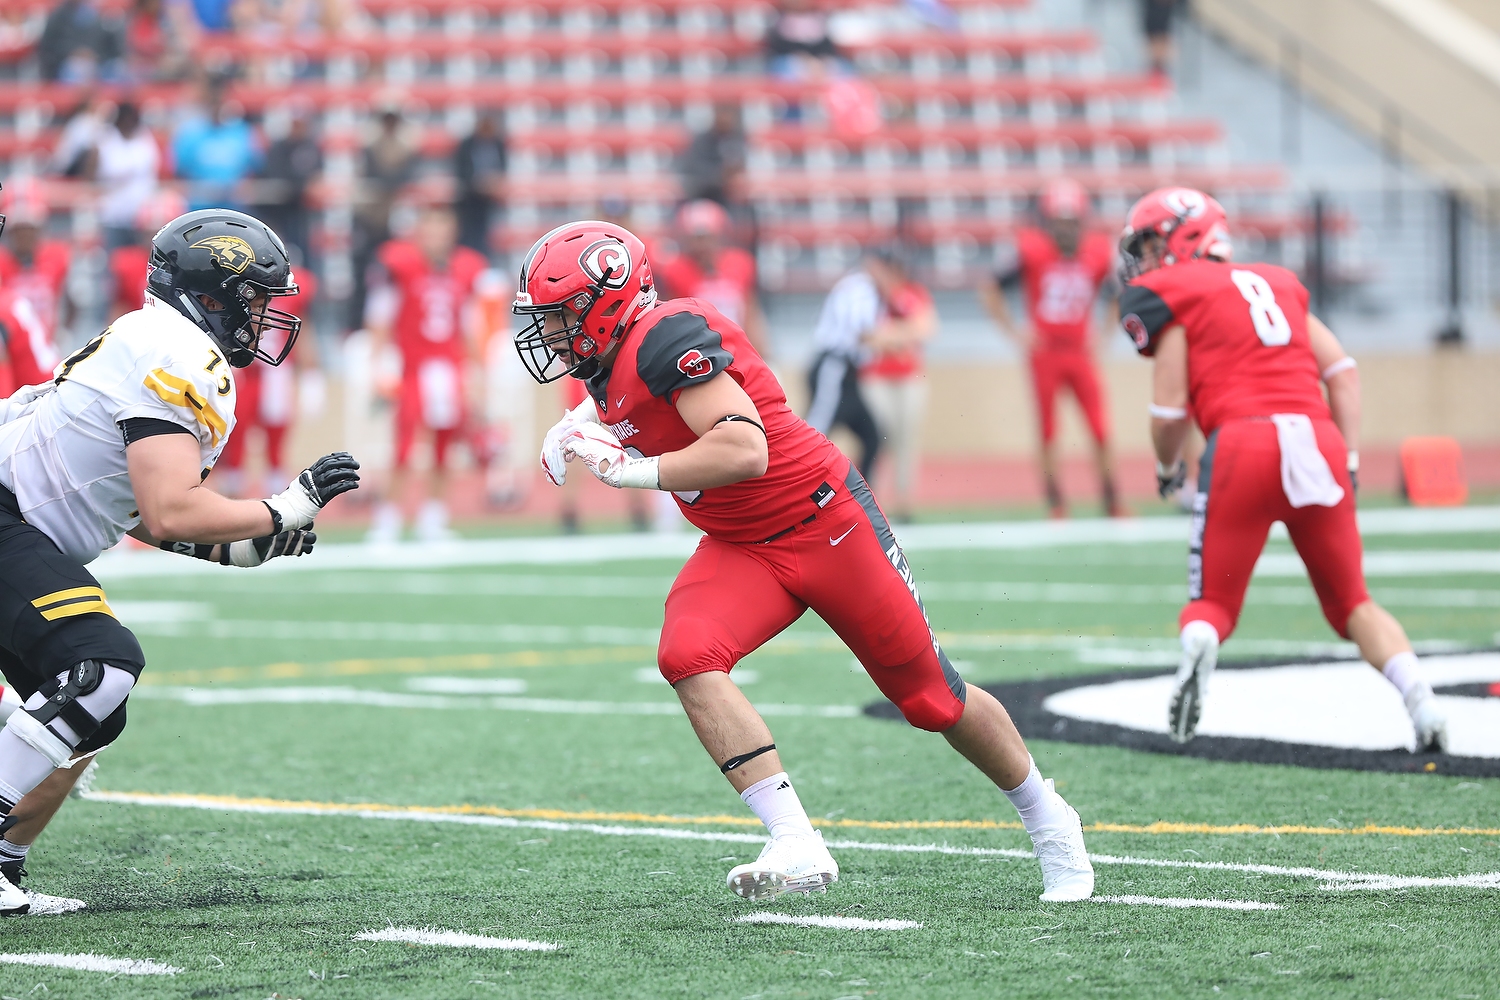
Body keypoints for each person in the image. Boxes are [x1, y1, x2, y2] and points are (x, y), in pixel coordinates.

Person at [515, 220, 1094, 904]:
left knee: (932, 700)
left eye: (562, 315)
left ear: (608, 301)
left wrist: (629, 470)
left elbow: (743, 449)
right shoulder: (614, 353)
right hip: (742, 544)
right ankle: (794, 839)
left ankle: (1049, 819)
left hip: (825, 524)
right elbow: (632, 396)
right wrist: (577, 422)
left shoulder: (666, 336)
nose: (552, 333)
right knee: (687, 653)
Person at [0, 205, 359, 914]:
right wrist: (285, 506)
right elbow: (170, 509)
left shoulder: (159, 339)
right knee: (101, 667)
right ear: (213, 295)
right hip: (10, 517)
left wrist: (241, 546)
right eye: (254, 298)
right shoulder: (178, 353)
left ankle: (3, 861)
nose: (264, 316)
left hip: (20, 524)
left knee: (91, 714)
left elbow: (142, 510)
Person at [1118, 186, 1449, 751]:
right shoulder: (1277, 281)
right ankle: (1422, 700)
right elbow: (1342, 372)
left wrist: (1168, 467)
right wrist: (1348, 457)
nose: (1145, 259)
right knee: (1353, 602)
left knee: (1213, 604)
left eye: (1150, 243)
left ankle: (1199, 644)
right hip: (1317, 440)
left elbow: (1169, 410)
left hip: (1243, 443)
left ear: (1186, 235)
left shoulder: (1173, 290)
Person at [979, 178, 1123, 518]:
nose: (1065, 230)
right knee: (1048, 431)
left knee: (1100, 428)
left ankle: (1112, 499)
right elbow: (990, 287)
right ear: (1047, 222)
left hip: (1080, 350)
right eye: (1059, 222)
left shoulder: (1098, 251)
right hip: (1045, 352)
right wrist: (1014, 332)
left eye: (1071, 222)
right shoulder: (1030, 249)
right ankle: (1055, 502)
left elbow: (1119, 294)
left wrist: (1105, 335)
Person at [365, 205, 486, 543]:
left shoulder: (465, 268)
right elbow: (381, 316)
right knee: (404, 447)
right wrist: (377, 364)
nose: (436, 236)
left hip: (450, 367)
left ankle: (433, 517)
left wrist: (479, 373)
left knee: (445, 446)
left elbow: (469, 325)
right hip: (414, 368)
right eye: (430, 228)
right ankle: (388, 519)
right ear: (419, 232)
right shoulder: (401, 265)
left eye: (442, 229)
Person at [215, 263, 318, 498]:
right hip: (243, 372)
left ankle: (277, 504)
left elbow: (304, 330)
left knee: (276, 443)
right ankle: (231, 502)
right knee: (233, 440)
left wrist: (311, 373)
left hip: (276, 375)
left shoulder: (294, 289)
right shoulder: (236, 285)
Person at [859, 250, 936, 523]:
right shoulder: (868, 298)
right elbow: (864, 335)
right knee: (877, 438)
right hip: (875, 377)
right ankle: (873, 500)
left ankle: (905, 502)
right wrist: (901, 336)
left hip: (908, 377)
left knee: (906, 440)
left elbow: (925, 328)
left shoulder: (912, 294)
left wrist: (889, 336)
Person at [804, 251, 893, 479]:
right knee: (813, 437)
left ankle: (862, 494)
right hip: (833, 369)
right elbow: (863, 331)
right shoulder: (861, 287)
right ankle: (795, 488)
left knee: (872, 438)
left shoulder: (862, 287)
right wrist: (902, 335)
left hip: (848, 374)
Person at [653, 200, 766, 356]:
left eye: (707, 237)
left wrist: (760, 352)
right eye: (695, 238)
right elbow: (669, 320)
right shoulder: (674, 270)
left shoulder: (740, 263)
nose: (701, 245)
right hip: (696, 350)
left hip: (737, 346)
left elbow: (750, 312)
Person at [0, 181, 72, 350]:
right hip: (10, 351)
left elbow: (71, 303)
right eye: (19, 229)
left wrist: (60, 332)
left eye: (29, 229)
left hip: (47, 347)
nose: (25, 236)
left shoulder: (57, 257)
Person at [172, 79, 261, 211]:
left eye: (220, 100)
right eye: (213, 100)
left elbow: (256, 168)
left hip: (234, 210)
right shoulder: (190, 133)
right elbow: (179, 174)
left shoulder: (242, 132)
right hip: (199, 209)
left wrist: (245, 186)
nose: (217, 105)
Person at [107, 187, 188, 322]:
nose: (155, 240)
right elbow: (118, 307)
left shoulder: (188, 265)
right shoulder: (125, 261)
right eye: (150, 232)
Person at [93, 100, 161, 250]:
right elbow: (111, 170)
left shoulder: (145, 139)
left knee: (144, 259)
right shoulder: (107, 140)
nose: (128, 122)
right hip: (114, 216)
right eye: (125, 119)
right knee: (113, 257)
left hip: (141, 217)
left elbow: (153, 168)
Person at [257, 108, 322, 265]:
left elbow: (316, 173)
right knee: (282, 244)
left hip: (305, 207)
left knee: (307, 246)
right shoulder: (279, 147)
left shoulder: (310, 147)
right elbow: (276, 175)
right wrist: (303, 187)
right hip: (281, 208)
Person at [453, 110, 506, 256]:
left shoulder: (498, 144)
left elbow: (502, 167)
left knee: (485, 233)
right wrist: (477, 183)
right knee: (469, 233)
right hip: (469, 199)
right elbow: (461, 170)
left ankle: (482, 256)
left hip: (489, 200)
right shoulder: (467, 144)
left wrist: (494, 182)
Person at [679, 103, 745, 208]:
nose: (726, 121)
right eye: (723, 116)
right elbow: (695, 170)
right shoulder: (702, 141)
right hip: (703, 195)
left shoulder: (736, 139)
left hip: (729, 197)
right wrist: (720, 175)